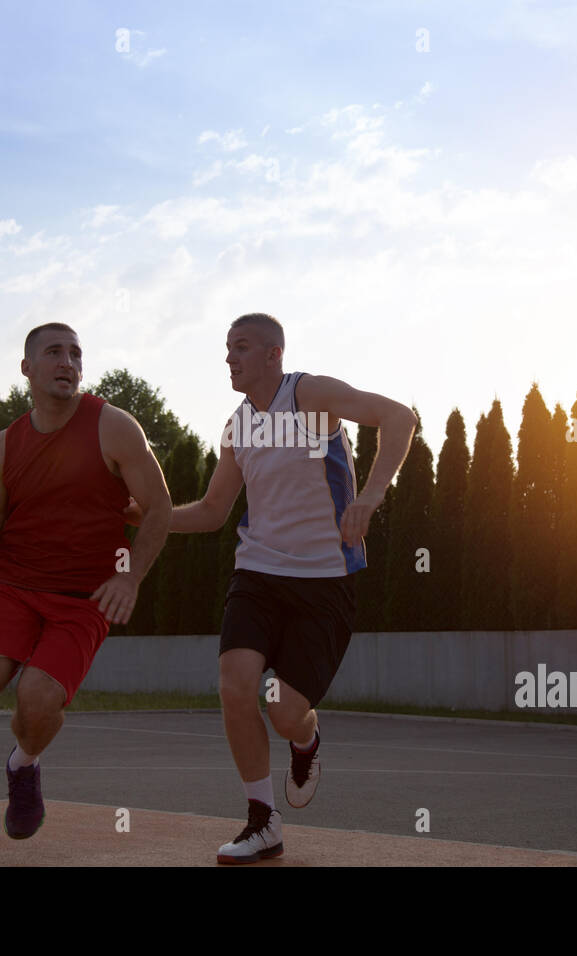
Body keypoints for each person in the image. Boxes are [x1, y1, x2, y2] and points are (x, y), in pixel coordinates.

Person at [0, 322, 171, 866]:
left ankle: (22, 764)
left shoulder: (114, 428)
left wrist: (130, 576)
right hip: (10, 585)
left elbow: (159, 507)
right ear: (28, 369)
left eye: (75, 353)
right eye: (53, 352)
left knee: (39, 700)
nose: (67, 362)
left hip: (81, 595)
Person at [167, 312, 416, 863]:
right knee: (235, 686)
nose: (229, 357)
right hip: (257, 575)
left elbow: (398, 417)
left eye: (242, 347)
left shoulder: (308, 394)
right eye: (227, 348)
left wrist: (371, 495)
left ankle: (305, 740)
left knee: (282, 712)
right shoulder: (237, 426)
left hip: (324, 581)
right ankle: (262, 821)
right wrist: (152, 516)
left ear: (273, 354)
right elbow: (212, 511)